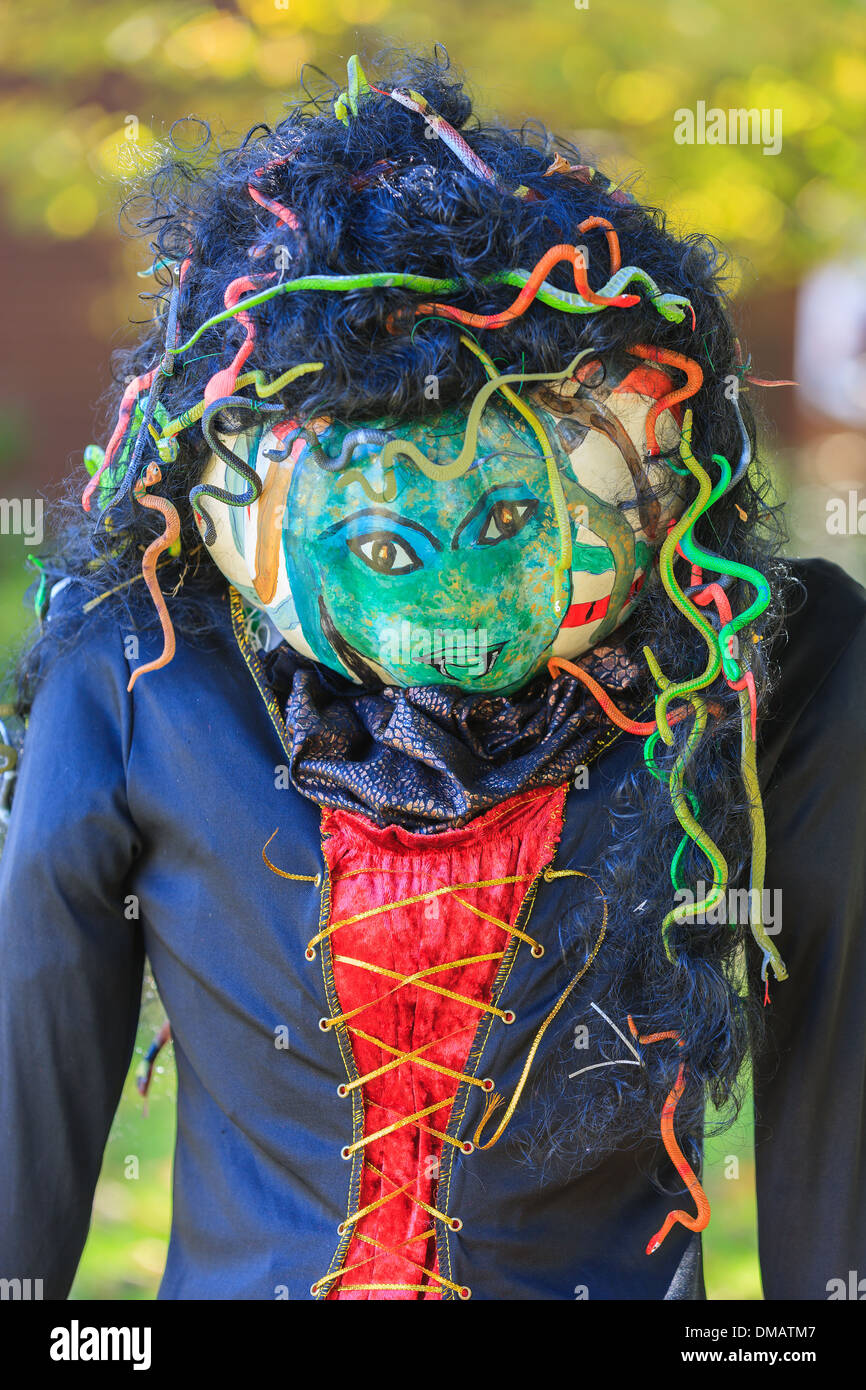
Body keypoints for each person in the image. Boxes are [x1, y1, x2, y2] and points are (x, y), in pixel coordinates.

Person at [1, 49, 864, 1302]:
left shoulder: (765, 677)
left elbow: (838, 1131)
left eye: (503, 520)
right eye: (391, 537)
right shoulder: (141, 666)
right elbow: (29, 1100)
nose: (452, 604)